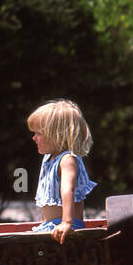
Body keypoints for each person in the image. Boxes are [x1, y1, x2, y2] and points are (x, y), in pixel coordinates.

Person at [27, 99, 96, 244]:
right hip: (51, 227)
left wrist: (66, 222)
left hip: (65, 227)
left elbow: (67, 190)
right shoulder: (49, 158)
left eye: (39, 133)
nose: (34, 138)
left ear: (57, 134)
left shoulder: (67, 160)